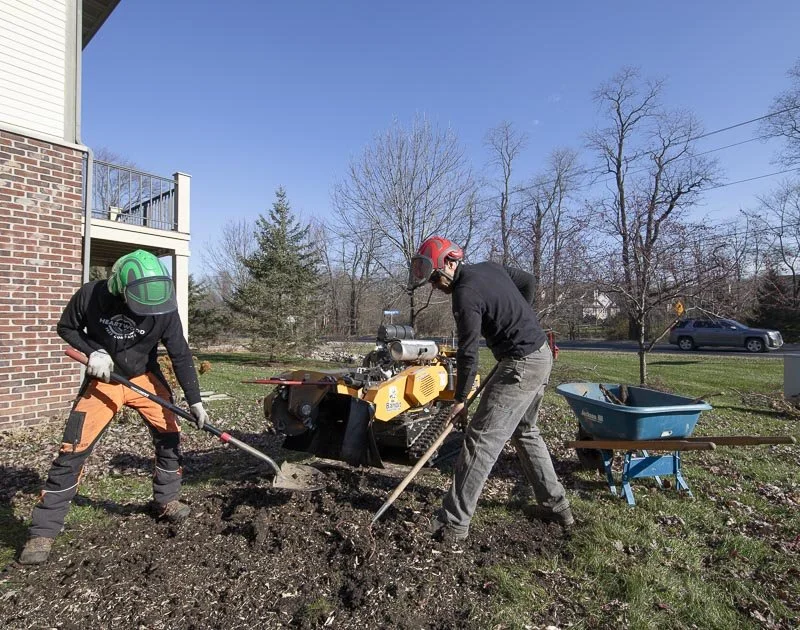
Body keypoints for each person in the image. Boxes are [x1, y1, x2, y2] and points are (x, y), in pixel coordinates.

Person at [18, 250, 208, 565]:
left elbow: (181, 354)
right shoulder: (91, 295)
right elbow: (67, 329)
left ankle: (166, 501)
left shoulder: (164, 308)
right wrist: (94, 351)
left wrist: (195, 399)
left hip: (144, 378)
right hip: (105, 379)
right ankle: (43, 532)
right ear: (119, 288)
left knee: (170, 438)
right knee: (73, 448)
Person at [408, 236, 573, 542]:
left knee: (480, 439)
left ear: (448, 263)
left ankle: (453, 522)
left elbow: (469, 354)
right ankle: (555, 507)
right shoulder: (490, 268)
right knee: (525, 431)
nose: (434, 286)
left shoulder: (464, 294)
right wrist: (520, 319)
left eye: (434, 278)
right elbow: (529, 281)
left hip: (522, 364)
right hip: (540, 354)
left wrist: (460, 400)